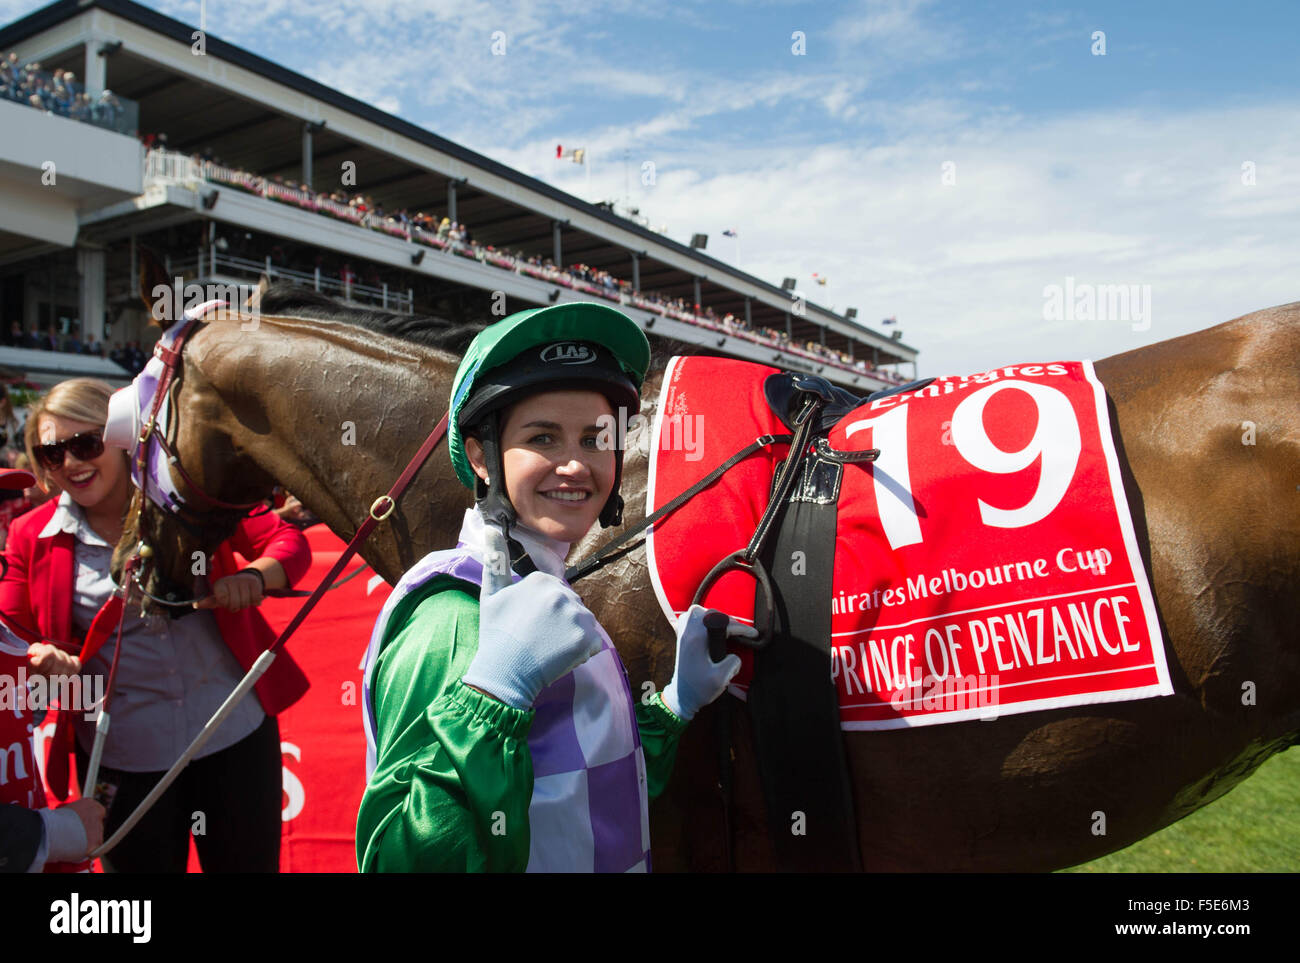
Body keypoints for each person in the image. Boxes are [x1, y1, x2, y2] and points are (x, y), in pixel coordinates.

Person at [357, 302, 755, 872]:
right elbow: (400, 862)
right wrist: (492, 698)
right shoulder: (451, 618)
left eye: (594, 439)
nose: (575, 465)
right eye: (543, 438)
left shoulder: (540, 588)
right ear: (481, 457)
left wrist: (674, 706)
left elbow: (588, 793)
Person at [0, 378, 312, 873]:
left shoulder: (193, 493)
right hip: (123, 761)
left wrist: (255, 576)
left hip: (233, 738)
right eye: (53, 454)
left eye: (86, 444)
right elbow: (13, 644)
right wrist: (42, 661)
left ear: (124, 438)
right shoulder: (28, 536)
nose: (72, 463)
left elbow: (289, 545)